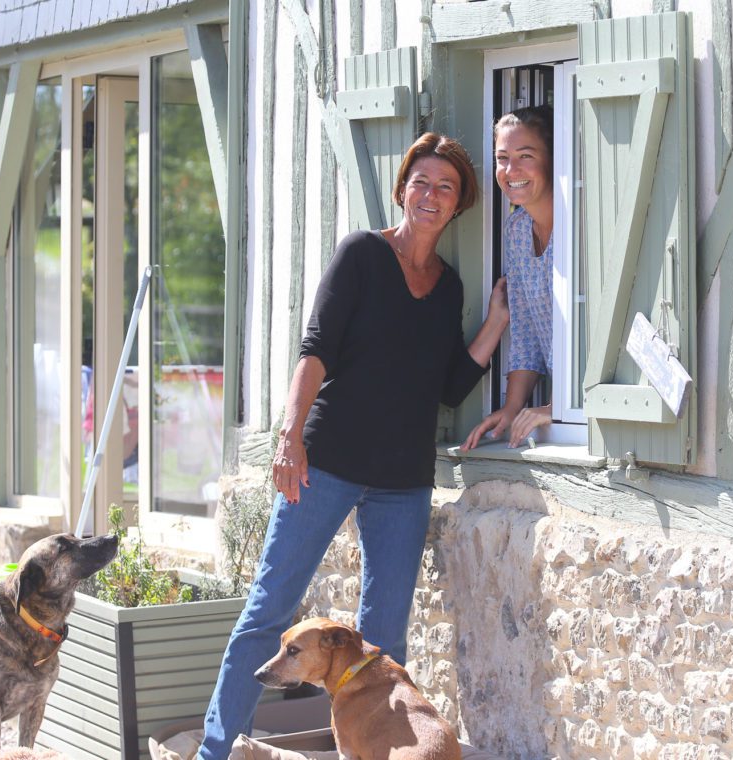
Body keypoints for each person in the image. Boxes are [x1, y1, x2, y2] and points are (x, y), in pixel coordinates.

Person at [197, 133, 509, 760]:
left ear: (458, 206)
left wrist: (498, 322)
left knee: (382, 641)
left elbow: (447, 386)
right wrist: (289, 440)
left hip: (403, 481)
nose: (431, 194)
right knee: (269, 614)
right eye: (420, 181)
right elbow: (316, 351)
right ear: (402, 189)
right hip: (325, 464)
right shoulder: (361, 254)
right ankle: (213, 751)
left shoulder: (447, 286)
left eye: (445, 187)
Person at [461, 105, 556, 451]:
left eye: (525, 156)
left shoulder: (581, 226)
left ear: (551, 158)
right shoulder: (516, 231)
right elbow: (527, 333)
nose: (510, 170)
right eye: (502, 158)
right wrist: (513, 408)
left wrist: (562, 410)